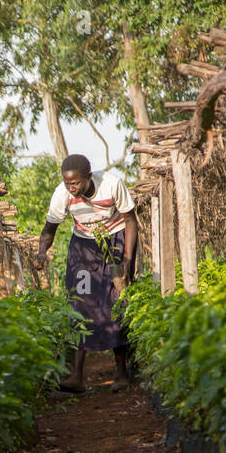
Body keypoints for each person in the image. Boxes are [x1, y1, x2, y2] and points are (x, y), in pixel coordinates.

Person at [36, 154, 138, 393]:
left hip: (116, 240)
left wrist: (126, 261)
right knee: (80, 304)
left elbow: (131, 221)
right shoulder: (62, 195)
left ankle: (122, 375)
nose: (71, 188)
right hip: (83, 247)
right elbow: (49, 229)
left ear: (89, 177)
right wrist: (41, 252)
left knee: (117, 303)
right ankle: (77, 377)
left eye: (76, 183)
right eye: (67, 183)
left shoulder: (111, 184)